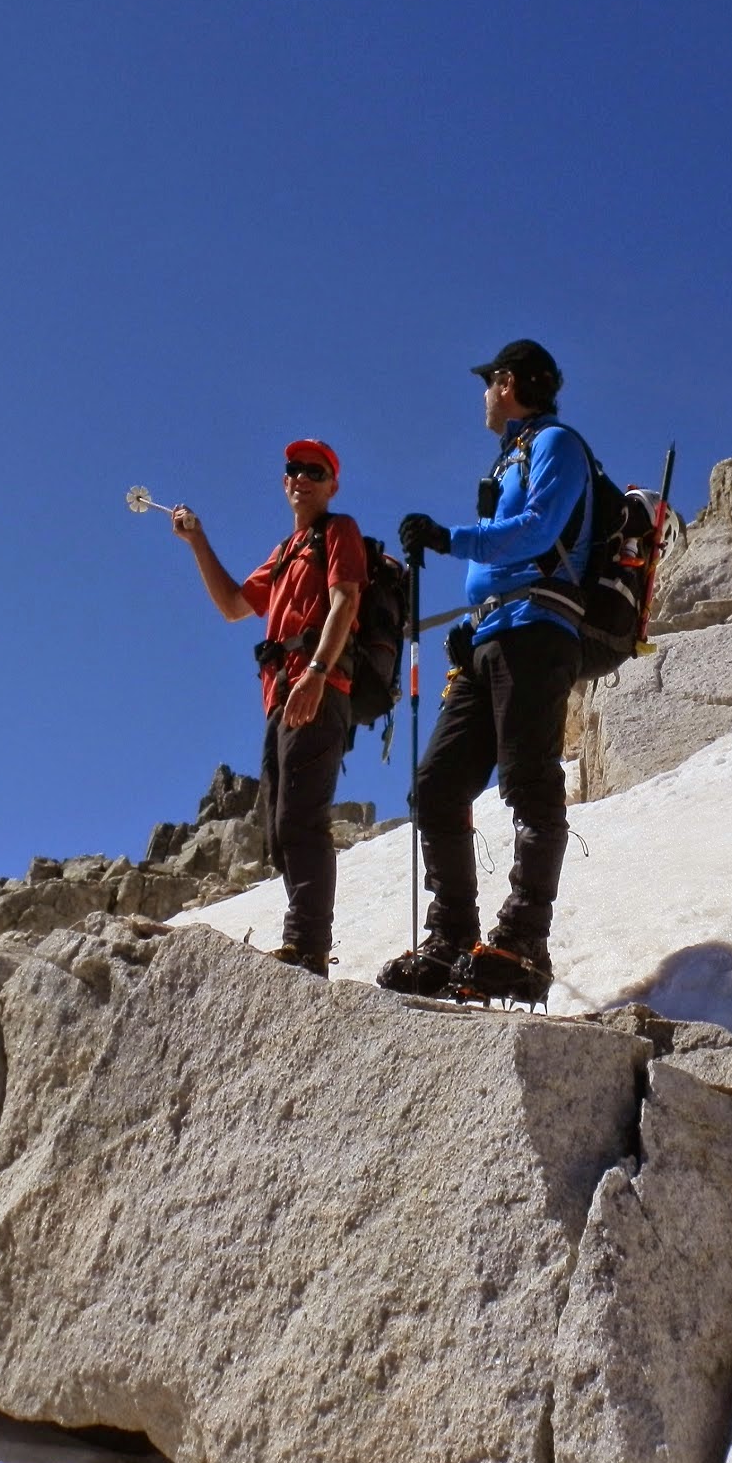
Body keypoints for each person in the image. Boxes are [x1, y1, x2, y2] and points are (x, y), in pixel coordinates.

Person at [384, 339, 592, 1005]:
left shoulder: (557, 444)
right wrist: (471, 630)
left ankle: (524, 943)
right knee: (437, 786)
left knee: (530, 780)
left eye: (487, 383)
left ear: (507, 383)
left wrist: (451, 538)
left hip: (537, 630)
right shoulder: (514, 455)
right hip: (495, 635)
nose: (482, 395)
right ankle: (452, 938)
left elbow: (536, 532)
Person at [170, 439, 365, 976]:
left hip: (317, 690)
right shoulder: (283, 555)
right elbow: (234, 606)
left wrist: (318, 674)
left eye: (314, 471)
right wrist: (198, 542)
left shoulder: (337, 532)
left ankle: (307, 947)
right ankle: (304, 942)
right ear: (284, 482)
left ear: (331, 485)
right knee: (281, 824)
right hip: (281, 699)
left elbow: (345, 599)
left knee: (300, 819)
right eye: (293, 469)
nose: (301, 477)